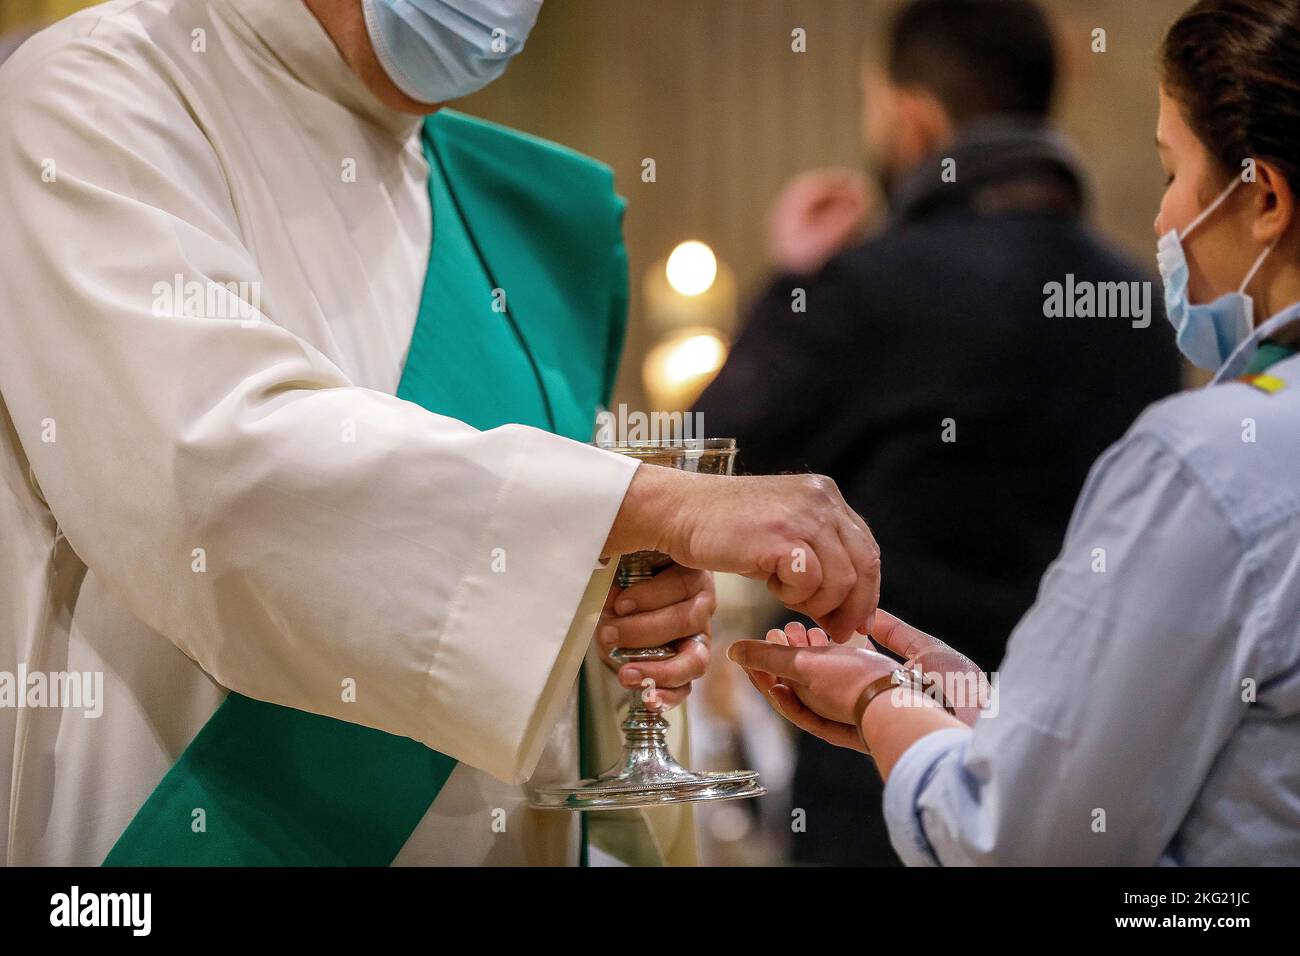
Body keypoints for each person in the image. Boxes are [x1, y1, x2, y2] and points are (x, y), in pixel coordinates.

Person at [0, 0, 881, 866]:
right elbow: (206, 476)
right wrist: (646, 504)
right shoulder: (98, 88)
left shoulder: (516, 214)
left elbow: (521, 571)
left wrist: (620, 620)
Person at [730, 0, 1300, 866]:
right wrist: (1001, 712)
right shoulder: (1130, 304)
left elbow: (710, 455)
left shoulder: (1207, 455)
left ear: (1263, 197)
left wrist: (881, 700)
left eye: (1171, 170)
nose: (1160, 220)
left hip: (909, 808)